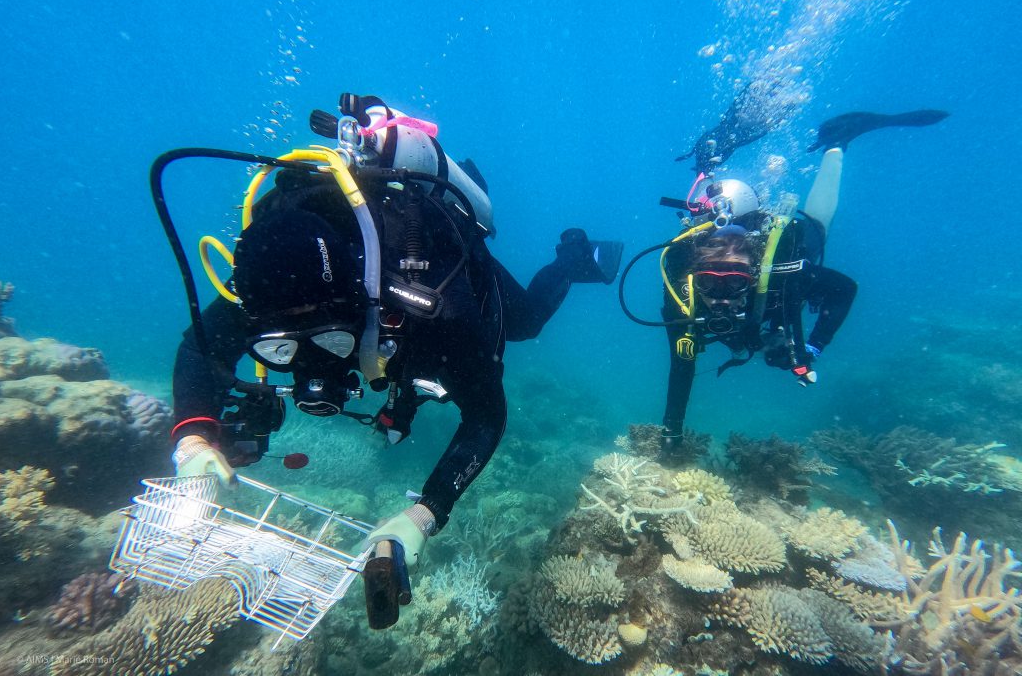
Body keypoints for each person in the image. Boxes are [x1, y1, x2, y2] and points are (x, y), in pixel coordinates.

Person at [168, 94, 622, 573]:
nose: (312, 362)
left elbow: (486, 414)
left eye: (331, 340)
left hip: (439, 255)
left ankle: (573, 258)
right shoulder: (262, 288)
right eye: (279, 349)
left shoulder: (429, 299)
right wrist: (193, 440)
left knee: (526, 323)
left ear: (357, 302)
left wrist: (427, 512)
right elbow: (198, 349)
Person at [654, 109, 945, 439]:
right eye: (708, 283)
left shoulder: (781, 271)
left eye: (735, 283)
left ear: (754, 275)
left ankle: (836, 142)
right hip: (713, 237)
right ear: (695, 278)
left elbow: (844, 289)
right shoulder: (681, 284)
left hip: (783, 250)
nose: (721, 298)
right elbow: (681, 364)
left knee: (816, 230)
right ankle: (708, 166)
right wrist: (671, 434)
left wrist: (813, 347)